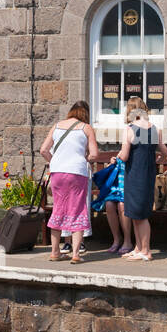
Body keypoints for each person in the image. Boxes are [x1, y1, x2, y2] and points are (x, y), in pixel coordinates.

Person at [39, 100, 98, 264]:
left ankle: (55, 252)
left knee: (58, 209)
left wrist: (55, 161)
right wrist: (83, 159)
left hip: (57, 172)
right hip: (77, 172)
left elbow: (43, 150)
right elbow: (94, 154)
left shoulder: (57, 126)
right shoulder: (86, 128)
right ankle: (76, 254)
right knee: (77, 210)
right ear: (85, 114)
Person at [118, 96, 163, 261]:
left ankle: (146, 251)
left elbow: (124, 156)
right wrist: (159, 160)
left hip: (135, 174)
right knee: (136, 212)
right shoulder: (155, 129)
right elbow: (164, 151)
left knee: (141, 215)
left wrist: (116, 157)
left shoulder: (129, 129)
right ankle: (138, 248)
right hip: (148, 174)